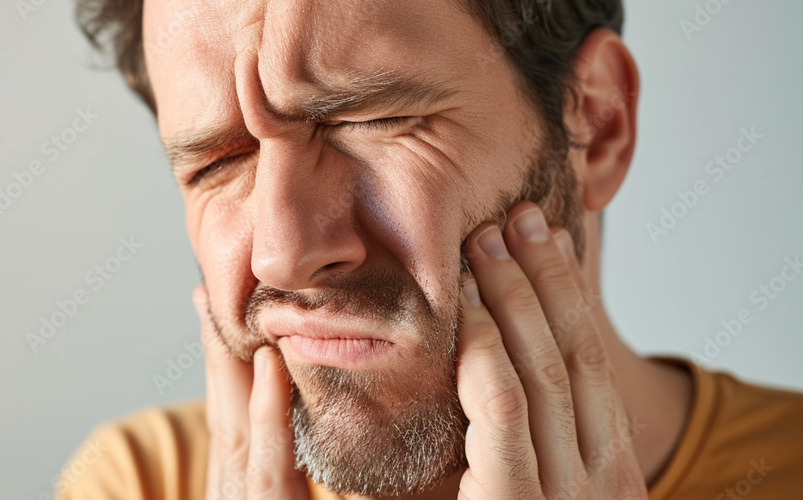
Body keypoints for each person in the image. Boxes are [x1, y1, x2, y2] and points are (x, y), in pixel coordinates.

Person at [57, 0, 803, 498]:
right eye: (216, 162)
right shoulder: (140, 481)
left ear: (597, 126)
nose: (281, 256)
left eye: (368, 119)